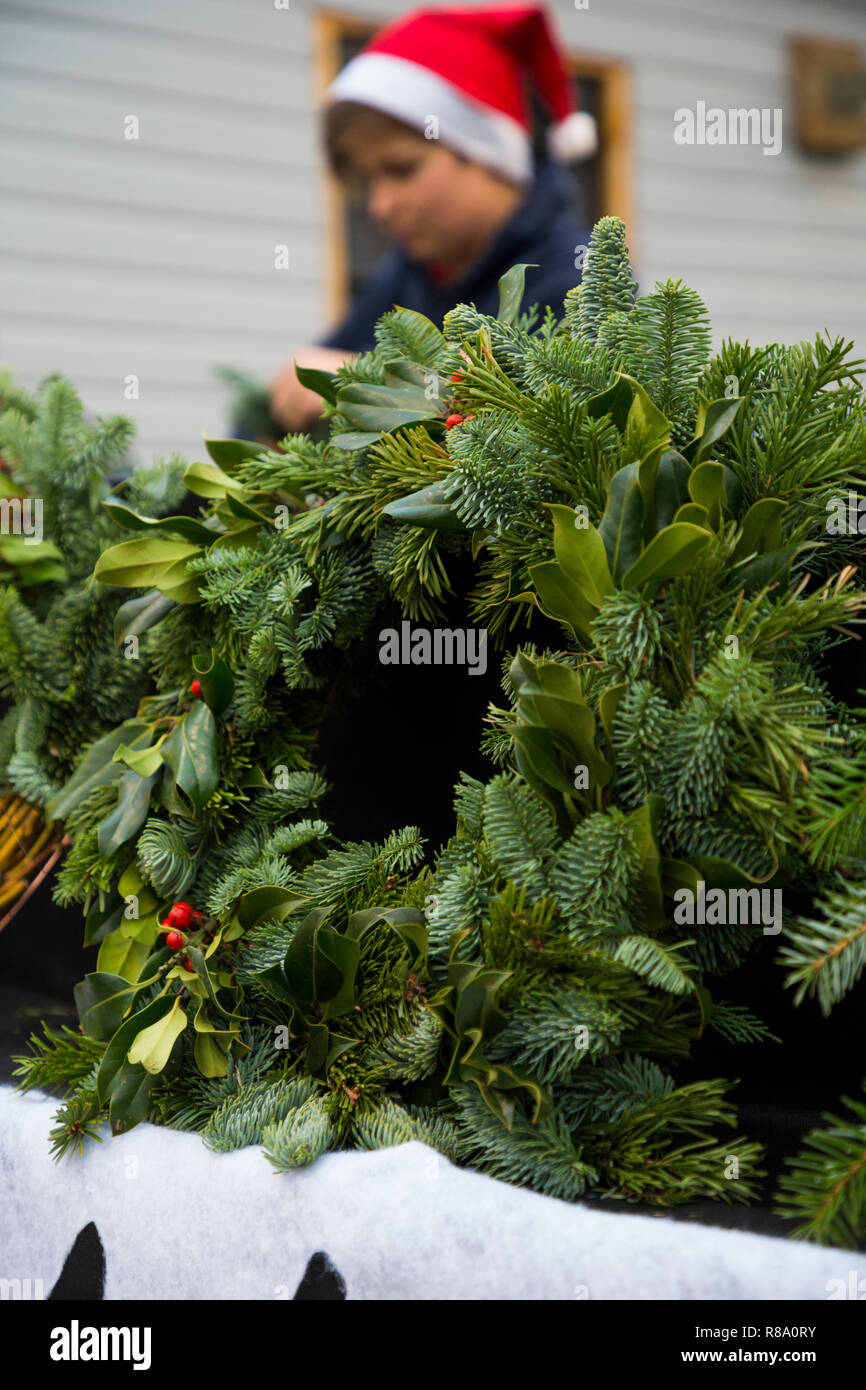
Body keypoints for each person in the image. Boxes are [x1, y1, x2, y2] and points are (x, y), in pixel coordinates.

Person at [269, 3, 598, 435]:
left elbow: (532, 430)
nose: (379, 206)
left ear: (487, 156)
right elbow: (315, 369)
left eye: (402, 169)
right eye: (367, 180)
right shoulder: (409, 273)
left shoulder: (579, 280)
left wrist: (361, 381)